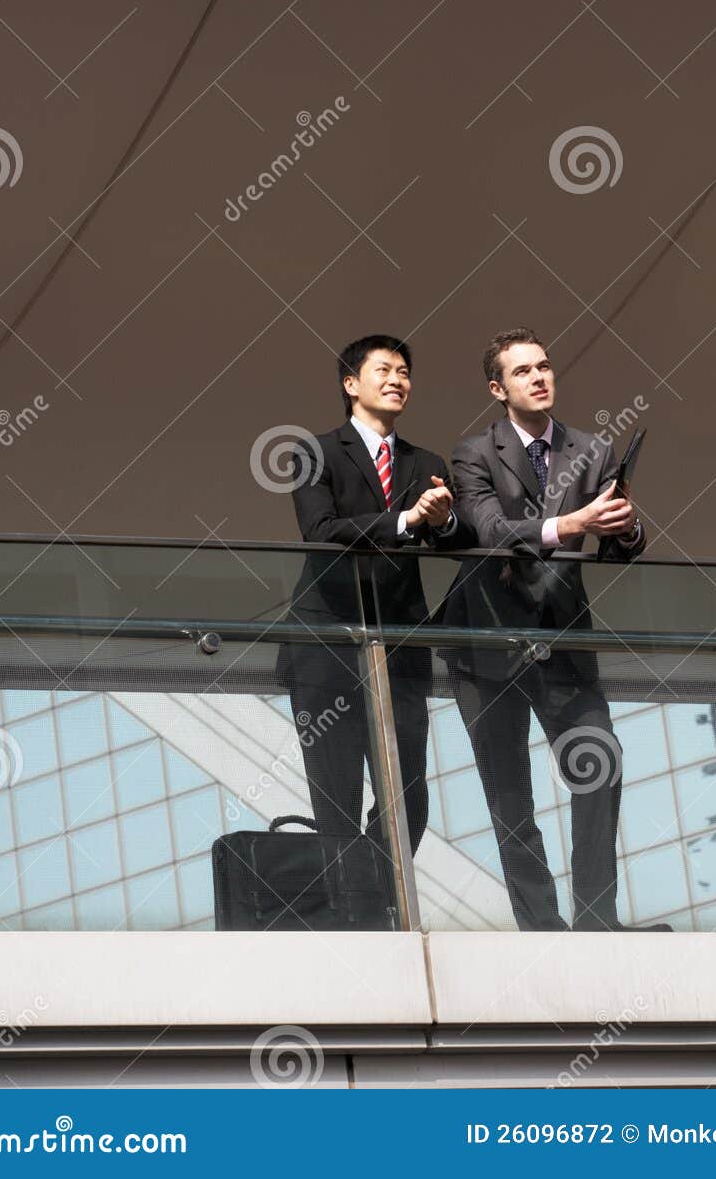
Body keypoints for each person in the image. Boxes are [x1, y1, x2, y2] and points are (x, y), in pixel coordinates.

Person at [440, 327, 668, 932]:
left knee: (603, 764)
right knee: (510, 794)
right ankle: (542, 929)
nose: (539, 377)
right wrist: (574, 521)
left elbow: (618, 552)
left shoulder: (590, 449)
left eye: (544, 367)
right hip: (485, 644)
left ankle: (597, 918)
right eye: (522, 371)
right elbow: (491, 534)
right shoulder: (473, 454)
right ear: (498, 387)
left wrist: (624, 526)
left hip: (563, 639)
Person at [276, 334, 469, 860]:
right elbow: (321, 531)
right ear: (350, 384)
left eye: (404, 372)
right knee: (336, 797)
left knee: (408, 797)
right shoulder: (313, 451)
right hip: (327, 645)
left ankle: (385, 899)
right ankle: (353, 917)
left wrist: (443, 517)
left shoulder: (424, 460)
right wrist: (405, 519)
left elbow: (455, 543)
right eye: (383, 369)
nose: (397, 380)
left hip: (400, 647)